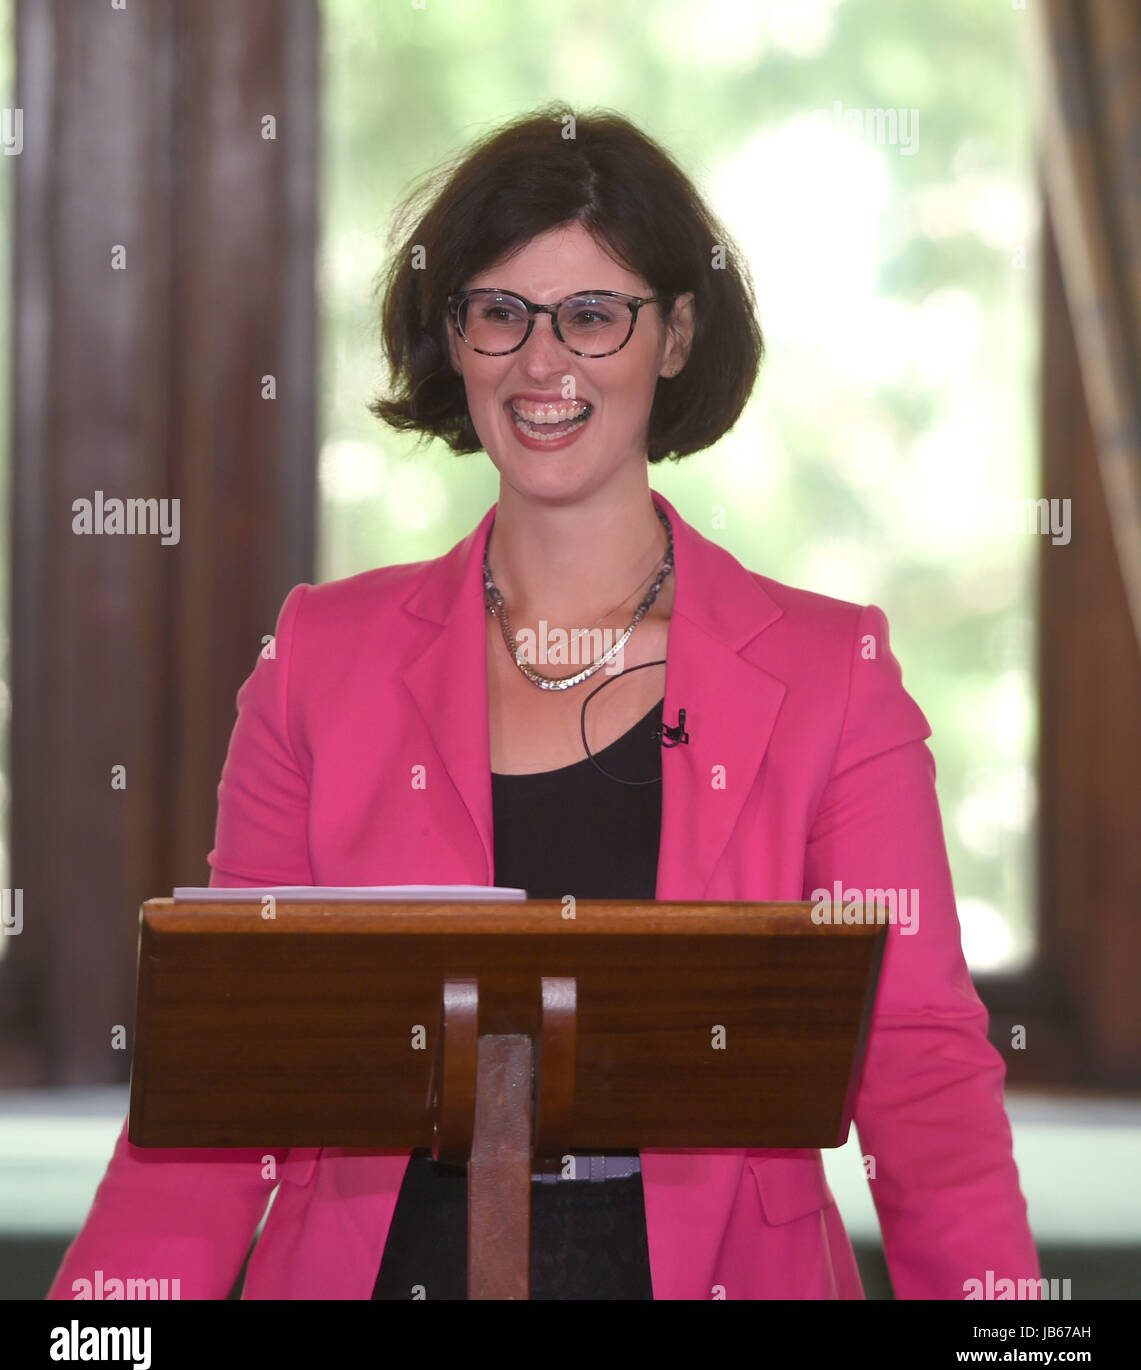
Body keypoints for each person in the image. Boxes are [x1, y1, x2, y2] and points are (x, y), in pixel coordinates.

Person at [47, 106, 1039, 1301]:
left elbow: (919, 1069)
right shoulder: (320, 656)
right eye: (500, 311)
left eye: (592, 314)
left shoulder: (836, 675)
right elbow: (227, 1069)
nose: (541, 361)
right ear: (452, 337)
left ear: (675, 334)